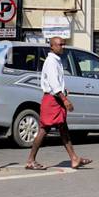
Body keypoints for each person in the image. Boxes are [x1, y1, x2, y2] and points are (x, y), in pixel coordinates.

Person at [26, 37, 91, 170]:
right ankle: (30, 160)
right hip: (52, 100)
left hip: (56, 99)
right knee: (44, 129)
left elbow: (56, 82)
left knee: (63, 129)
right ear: (52, 46)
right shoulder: (51, 61)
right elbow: (54, 84)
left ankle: (74, 158)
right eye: (60, 44)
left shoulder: (57, 60)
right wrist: (64, 99)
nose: (63, 47)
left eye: (64, 44)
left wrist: (64, 91)